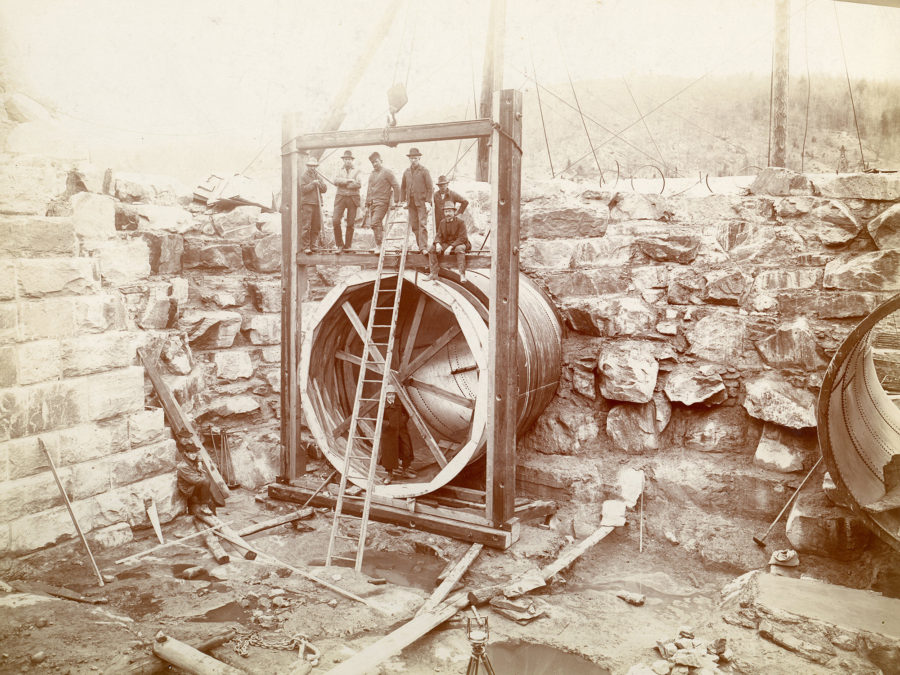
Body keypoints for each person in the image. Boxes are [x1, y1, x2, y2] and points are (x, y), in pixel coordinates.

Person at [364, 151, 400, 253]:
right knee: (376, 224)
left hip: (383, 202)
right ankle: (380, 245)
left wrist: (397, 201)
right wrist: (367, 204)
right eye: (372, 163)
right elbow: (369, 190)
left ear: (381, 161)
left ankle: (379, 245)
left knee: (374, 223)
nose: (374, 164)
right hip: (373, 203)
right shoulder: (372, 175)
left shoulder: (387, 172)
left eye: (376, 162)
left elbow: (396, 185)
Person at [400, 147, 434, 253]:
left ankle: (423, 247)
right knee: (414, 226)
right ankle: (421, 246)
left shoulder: (424, 171)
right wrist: (403, 201)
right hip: (411, 203)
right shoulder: (406, 172)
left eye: (415, 158)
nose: (413, 160)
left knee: (422, 224)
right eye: (411, 158)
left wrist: (428, 202)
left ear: (419, 158)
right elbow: (403, 187)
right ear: (409, 159)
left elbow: (430, 187)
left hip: (422, 202)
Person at [176, 443, 224, 517]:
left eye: (195, 452)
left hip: (195, 487)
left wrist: (199, 462)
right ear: (186, 453)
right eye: (191, 453)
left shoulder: (192, 460)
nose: (194, 455)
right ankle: (204, 506)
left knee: (211, 502)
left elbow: (198, 456)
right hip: (189, 491)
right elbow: (196, 480)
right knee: (206, 482)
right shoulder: (183, 466)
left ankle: (215, 520)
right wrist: (201, 474)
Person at [379, 389, 415, 484]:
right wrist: (389, 424)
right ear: (386, 396)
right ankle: (389, 475)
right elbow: (378, 419)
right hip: (389, 434)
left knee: (406, 450)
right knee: (389, 454)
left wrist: (402, 422)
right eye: (389, 394)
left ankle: (405, 471)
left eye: (392, 394)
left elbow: (406, 414)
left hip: (401, 431)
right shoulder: (382, 406)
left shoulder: (399, 404)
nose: (391, 397)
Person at [429, 200, 471, 282]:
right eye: (446, 211)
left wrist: (451, 247)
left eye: (450, 211)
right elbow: (438, 235)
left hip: (459, 244)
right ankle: (433, 273)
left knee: (459, 249)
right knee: (432, 249)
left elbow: (463, 238)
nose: (447, 213)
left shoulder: (460, 222)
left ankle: (462, 274)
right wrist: (437, 244)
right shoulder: (442, 222)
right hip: (447, 244)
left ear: (454, 212)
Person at [331, 150, 361, 253]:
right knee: (335, 221)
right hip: (340, 198)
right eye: (346, 159)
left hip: (353, 198)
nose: (347, 161)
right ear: (343, 160)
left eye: (349, 159)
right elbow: (335, 180)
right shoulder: (338, 169)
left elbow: (358, 184)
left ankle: (348, 246)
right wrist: (347, 181)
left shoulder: (357, 170)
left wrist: (344, 184)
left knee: (350, 223)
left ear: (352, 160)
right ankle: (339, 245)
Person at [299, 156, 327, 254]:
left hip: (317, 204)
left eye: (314, 166)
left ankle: (313, 245)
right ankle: (306, 246)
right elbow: (303, 189)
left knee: (316, 225)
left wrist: (319, 184)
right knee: (306, 225)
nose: (313, 168)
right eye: (311, 166)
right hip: (307, 203)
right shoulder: (304, 176)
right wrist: (312, 184)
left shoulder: (318, 176)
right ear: (308, 166)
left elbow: (324, 189)